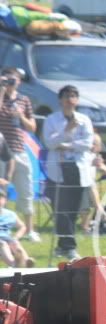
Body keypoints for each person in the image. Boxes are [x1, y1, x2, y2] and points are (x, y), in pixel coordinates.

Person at [43, 85, 95, 260]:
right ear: (60, 99)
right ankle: (69, 246)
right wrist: (67, 131)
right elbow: (49, 143)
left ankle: (63, 246)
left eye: (73, 96)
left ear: (77, 100)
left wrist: (65, 144)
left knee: (72, 210)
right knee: (60, 208)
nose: (70, 99)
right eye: (66, 96)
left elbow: (87, 144)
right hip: (58, 168)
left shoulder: (84, 119)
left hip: (78, 168)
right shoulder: (51, 119)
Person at [0, 67, 38, 242]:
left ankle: (29, 230)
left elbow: (32, 127)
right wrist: (1, 90)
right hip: (1, 152)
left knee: (26, 190)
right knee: (1, 191)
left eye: (13, 80)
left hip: (19, 150)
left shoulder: (24, 100)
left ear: (19, 82)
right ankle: (3, 229)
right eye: (8, 80)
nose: (10, 84)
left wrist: (21, 116)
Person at [79, 134, 106, 233]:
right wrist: (91, 163)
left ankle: (86, 226)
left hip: (87, 189)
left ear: (99, 146)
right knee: (89, 185)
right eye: (91, 143)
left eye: (95, 144)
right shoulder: (81, 155)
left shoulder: (94, 157)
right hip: (75, 188)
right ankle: (100, 212)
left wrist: (101, 167)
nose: (92, 146)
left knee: (89, 185)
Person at [0, 188, 34, 267]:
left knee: (15, 243)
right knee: (3, 244)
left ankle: (26, 261)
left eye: (1, 198)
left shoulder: (10, 214)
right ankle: (13, 264)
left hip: (6, 238)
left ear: (5, 200)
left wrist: (16, 236)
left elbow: (22, 226)